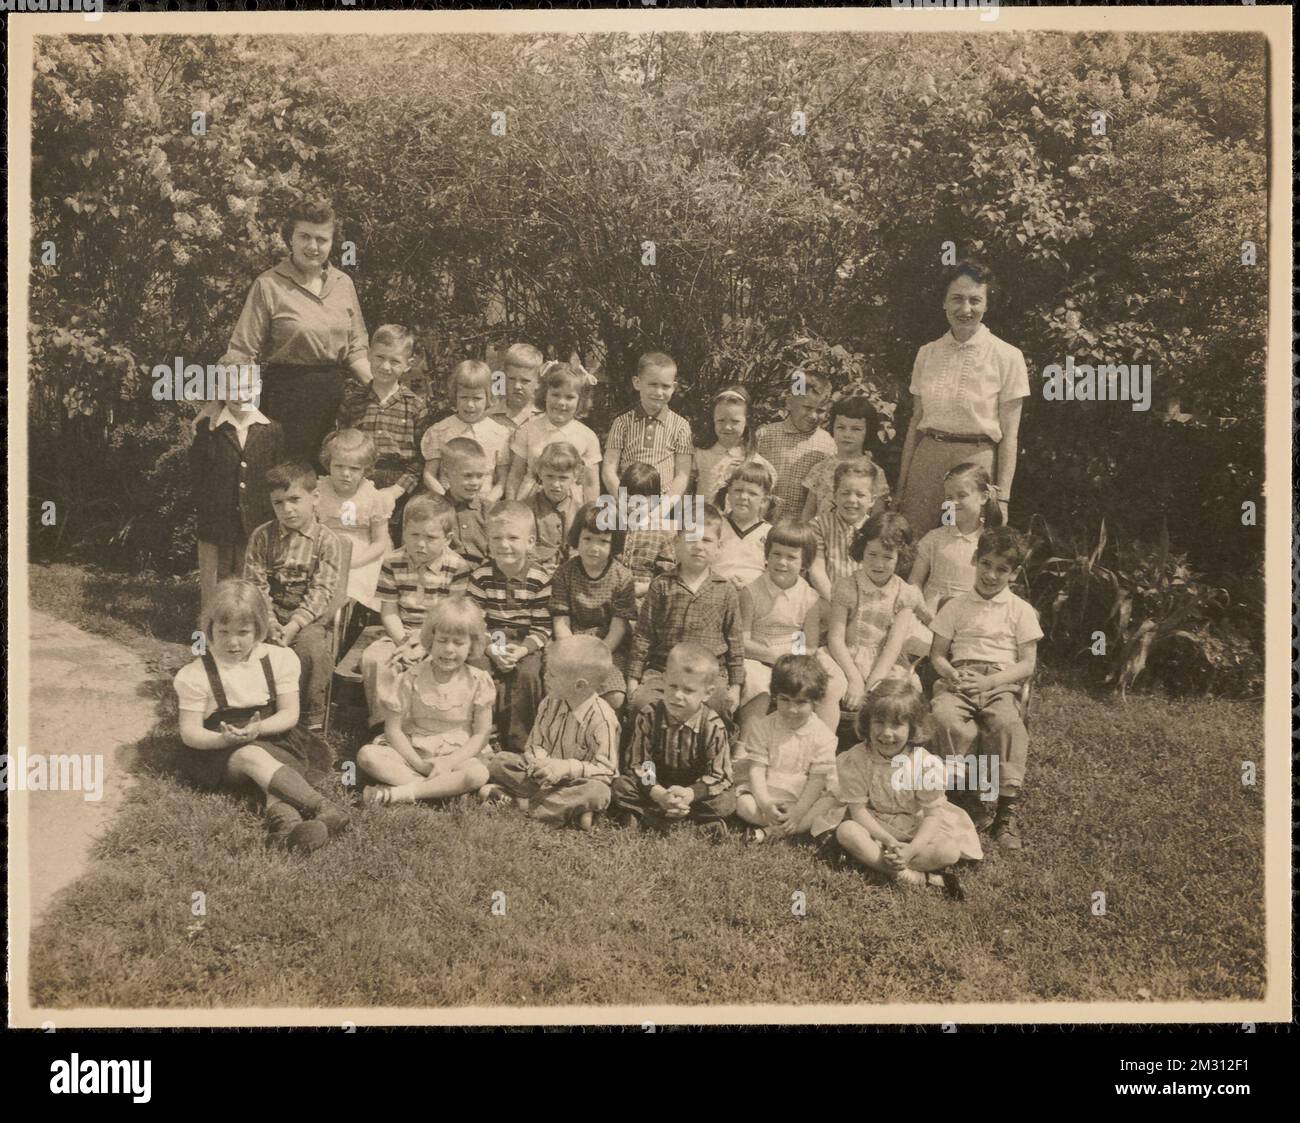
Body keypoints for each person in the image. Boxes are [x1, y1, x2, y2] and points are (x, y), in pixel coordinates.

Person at [174, 579, 348, 853]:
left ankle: (288, 831)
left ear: (259, 630)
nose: (233, 642)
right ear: (209, 630)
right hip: (220, 752)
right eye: (223, 632)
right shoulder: (197, 674)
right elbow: (190, 732)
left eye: (243, 632)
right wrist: (225, 740)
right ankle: (323, 807)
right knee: (251, 756)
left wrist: (259, 730)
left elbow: (290, 714)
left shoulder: (278, 659)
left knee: (268, 775)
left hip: (273, 737)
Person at [213, 198, 371, 464]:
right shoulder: (269, 284)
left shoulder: (344, 283)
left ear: (332, 243)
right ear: (290, 239)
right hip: (285, 401)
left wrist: (383, 391)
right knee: (289, 483)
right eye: (304, 237)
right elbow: (241, 352)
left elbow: (356, 349)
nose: (313, 246)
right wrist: (218, 404)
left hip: (335, 402)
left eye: (321, 239)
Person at [896, 259, 1029, 535]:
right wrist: (902, 485)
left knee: (966, 547)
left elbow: (1010, 435)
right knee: (912, 542)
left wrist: (1002, 496)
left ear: (987, 304)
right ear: (943, 303)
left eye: (975, 300)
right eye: (956, 299)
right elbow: (915, 423)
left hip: (976, 462)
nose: (965, 309)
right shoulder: (927, 353)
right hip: (928, 459)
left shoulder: (1008, 356)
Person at [929, 527, 1041, 850]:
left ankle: (1006, 812)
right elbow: (937, 654)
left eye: (1002, 569)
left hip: (999, 681)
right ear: (975, 559)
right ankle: (955, 796)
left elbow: (1027, 664)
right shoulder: (956, 605)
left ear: (1014, 573)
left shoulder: (1020, 610)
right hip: (960, 676)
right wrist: (951, 673)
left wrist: (992, 681)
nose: (991, 575)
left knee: (1007, 725)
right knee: (945, 718)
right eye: (986, 564)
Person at [828, 680, 980, 896]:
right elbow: (858, 811)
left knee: (950, 851)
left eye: (897, 725)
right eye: (879, 722)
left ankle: (883, 864)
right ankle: (915, 877)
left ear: (913, 728)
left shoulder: (925, 764)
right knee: (847, 831)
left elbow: (932, 817)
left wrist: (910, 851)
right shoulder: (856, 759)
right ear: (867, 722)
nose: (886, 733)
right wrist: (888, 841)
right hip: (876, 825)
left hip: (916, 826)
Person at [358, 596, 494, 805]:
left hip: (458, 756)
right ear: (430, 640)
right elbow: (393, 730)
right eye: (442, 640)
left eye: (459, 643)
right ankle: (442, 791)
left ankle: (398, 794)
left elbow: (481, 734)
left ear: (472, 645)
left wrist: (448, 762)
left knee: (478, 774)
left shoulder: (479, 680)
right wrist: (420, 765)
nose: (449, 649)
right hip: (414, 753)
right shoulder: (411, 677)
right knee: (367, 756)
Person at [243, 462, 345, 731]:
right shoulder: (262, 536)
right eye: (278, 503)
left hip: (308, 616)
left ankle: (308, 719)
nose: (287, 509)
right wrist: (271, 623)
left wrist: (294, 625)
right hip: (269, 610)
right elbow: (255, 584)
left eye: (295, 500)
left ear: (315, 498)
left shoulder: (327, 541)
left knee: (311, 650)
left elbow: (322, 590)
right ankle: (258, 711)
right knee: (251, 644)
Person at [480, 635, 621, 831]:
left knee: (599, 792)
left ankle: (521, 805)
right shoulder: (549, 702)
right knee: (500, 761)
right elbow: (536, 743)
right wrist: (539, 761)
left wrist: (566, 768)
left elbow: (608, 770)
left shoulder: (602, 719)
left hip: (576, 783)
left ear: (580, 685)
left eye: (552, 675)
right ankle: (569, 812)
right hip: (541, 777)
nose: (544, 677)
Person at [361, 494, 472, 727]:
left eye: (430, 537)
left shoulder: (457, 567)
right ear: (404, 532)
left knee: (439, 661)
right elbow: (389, 611)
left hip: (440, 634)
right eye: (414, 535)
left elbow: (451, 617)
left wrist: (423, 644)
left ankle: (427, 723)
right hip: (400, 631)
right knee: (375, 659)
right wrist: (403, 642)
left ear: (448, 539)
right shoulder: (393, 562)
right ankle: (384, 725)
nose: (420, 544)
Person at [625, 504, 744, 717]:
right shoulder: (661, 585)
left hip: (709, 677)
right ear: (676, 543)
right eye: (691, 538)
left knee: (719, 706)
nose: (698, 546)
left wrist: (735, 686)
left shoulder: (726, 590)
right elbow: (643, 635)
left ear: (719, 547)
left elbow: (735, 642)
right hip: (664, 672)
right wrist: (633, 680)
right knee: (641, 704)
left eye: (706, 540)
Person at [610, 643, 736, 837]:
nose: (677, 696)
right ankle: (683, 820)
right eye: (673, 686)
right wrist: (659, 793)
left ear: (708, 693)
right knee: (621, 786)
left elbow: (719, 775)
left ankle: (654, 816)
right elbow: (641, 763)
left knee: (726, 801)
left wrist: (690, 794)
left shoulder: (713, 725)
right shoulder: (649, 715)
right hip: (656, 783)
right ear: (664, 680)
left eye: (688, 690)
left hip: (694, 789)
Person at [191, 369, 284, 623]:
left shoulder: (272, 430)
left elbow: (275, 477)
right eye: (231, 389)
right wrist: (206, 510)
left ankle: (245, 629)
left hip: (255, 521)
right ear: (221, 392)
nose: (240, 395)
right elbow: (197, 474)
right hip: (216, 521)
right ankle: (209, 631)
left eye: (246, 388)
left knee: (248, 578)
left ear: (258, 387)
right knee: (215, 580)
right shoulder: (208, 428)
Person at [820, 512, 926, 715]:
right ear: (862, 550)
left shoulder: (904, 593)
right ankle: (824, 743)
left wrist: (873, 684)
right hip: (844, 659)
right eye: (872, 554)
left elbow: (893, 645)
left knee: (904, 696)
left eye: (888, 557)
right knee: (830, 689)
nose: (879, 564)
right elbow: (835, 638)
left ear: (900, 557)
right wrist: (854, 679)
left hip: (883, 663)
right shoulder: (847, 586)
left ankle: (894, 744)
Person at [467, 501, 552, 752]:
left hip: (525, 641)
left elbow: (543, 627)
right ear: (488, 542)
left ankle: (520, 741)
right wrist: (492, 648)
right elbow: (474, 621)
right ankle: (482, 737)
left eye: (513, 537)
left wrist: (523, 650)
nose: (504, 545)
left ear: (530, 542)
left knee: (528, 674)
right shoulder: (481, 576)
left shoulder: (539, 578)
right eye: (496, 538)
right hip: (490, 637)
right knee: (478, 669)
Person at [334, 323, 426, 538]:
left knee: (391, 544)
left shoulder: (414, 406)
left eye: (394, 361)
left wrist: (396, 490)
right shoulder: (353, 401)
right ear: (368, 355)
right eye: (379, 357)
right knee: (354, 537)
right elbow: (338, 445)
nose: (385, 366)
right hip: (357, 483)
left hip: (398, 489)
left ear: (408, 364)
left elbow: (422, 458)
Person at [734, 654, 838, 844]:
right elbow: (756, 769)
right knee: (743, 805)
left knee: (829, 802)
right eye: (785, 700)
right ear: (775, 696)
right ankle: (783, 828)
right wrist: (765, 803)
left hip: (804, 798)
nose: (792, 709)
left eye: (801, 702)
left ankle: (770, 832)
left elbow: (817, 780)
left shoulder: (824, 736)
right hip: (768, 793)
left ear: (815, 701)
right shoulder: (764, 726)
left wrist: (798, 812)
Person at [736, 520, 823, 737]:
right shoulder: (750, 592)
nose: (782, 562)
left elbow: (810, 645)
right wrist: (773, 655)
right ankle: (745, 744)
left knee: (809, 682)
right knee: (759, 682)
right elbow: (741, 642)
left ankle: (805, 743)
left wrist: (794, 659)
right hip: (756, 656)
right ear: (767, 555)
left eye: (791, 557)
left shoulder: (810, 598)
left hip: (793, 660)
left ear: (804, 563)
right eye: (776, 554)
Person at [550, 502, 638, 711]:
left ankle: (603, 735)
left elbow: (618, 628)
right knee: (560, 692)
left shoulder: (622, 577)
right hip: (571, 644)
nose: (594, 548)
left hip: (608, 647)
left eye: (603, 541)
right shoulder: (564, 573)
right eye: (587, 539)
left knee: (614, 696)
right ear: (576, 539)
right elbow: (561, 622)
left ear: (613, 544)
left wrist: (595, 657)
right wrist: (574, 654)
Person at [601, 351, 693, 503]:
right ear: (637, 383)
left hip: (663, 505)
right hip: (627, 502)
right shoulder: (622, 423)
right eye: (652, 384)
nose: (659, 392)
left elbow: (682, 475)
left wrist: (664, 507)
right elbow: (609, 468)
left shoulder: (681, 426)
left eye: (665, 386)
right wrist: (623, 502)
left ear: (674, 387)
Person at [316, 429, 393, 610]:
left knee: (354, 584)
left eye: (354, 468)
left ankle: (344, 625)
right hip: (324, 552)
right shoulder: (318, 492)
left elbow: (380, 542)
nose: (346, 473)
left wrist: (354, 562)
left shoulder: (374, 497)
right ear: (329, 464)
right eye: (339, 466)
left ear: (366, 469)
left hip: (362, 556)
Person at [505, 361, 601, 504]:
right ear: (545, 395)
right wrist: (511, 508)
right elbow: (516, 475)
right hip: (530, 502)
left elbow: (591, 484)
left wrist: (589, 516)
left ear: (580, 401)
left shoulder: (587, 436)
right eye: (555, 395)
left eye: (569, 397)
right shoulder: (528, 429)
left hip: (571, 507)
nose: (561, 402)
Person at [421, 360, 512, 502]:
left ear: (488, 398)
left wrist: (487, 503)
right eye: (464, 397)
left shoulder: (499, 433)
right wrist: (446, 499)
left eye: (477, 398)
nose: (470, 405)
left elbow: (502, 479)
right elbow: (429, 475)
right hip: (448, 505)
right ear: (455, 396)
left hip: (484, 506)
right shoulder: (440, 430)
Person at [755, 370, 836, 519]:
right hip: (762, 524)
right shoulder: (765, 435)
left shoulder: (828, 444)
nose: (813, 416)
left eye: (820, 410)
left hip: (801, 529)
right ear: (789, 403)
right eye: (807, 407)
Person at [799, 395, 890, 521]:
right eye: (841, 428)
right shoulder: (820, 468)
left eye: (856, 429)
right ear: (833, 428)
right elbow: (808, 512)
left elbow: (877, 518)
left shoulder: (875, 472)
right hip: (820, 536)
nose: (847, 434)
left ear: (868, 432)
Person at [807, 458, 881, 600]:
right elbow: (817, 571)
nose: (852, 500)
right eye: (845, 493)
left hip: (864, 602)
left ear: (872, 500)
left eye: (860, 495)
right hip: (826, 599)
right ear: (835, 495)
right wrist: (836, 604)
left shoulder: (876, 530)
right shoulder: (819, 525)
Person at [691, 384, 774, 505]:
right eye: (721, 420)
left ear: (747, 420)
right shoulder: (700, 454)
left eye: (735, 421)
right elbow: (687, 491)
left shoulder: (754, 462)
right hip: (701, 520)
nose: (727, 427)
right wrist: (690, 521)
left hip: (736, 522)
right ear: (713, 419)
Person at [615, 461, 678, 604]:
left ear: (655, 501)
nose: (631, 506)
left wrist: (645, 588)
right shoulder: (613, 528)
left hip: (645, 599)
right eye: (627, 499)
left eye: (639, 502)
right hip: (613, 595)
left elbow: (668, 576)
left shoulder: (661, 535)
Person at [713, 460, 775, 590]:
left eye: (752, 493)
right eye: (738, 490)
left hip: (754, 595)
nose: (743, 497)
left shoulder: (770, 533)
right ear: (728, 494)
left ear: (764, 500)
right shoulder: (714, 525)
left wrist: (751, 587)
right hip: (714, 590)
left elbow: (773, 573)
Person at [524, 441, 582, 577]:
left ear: (575, 476)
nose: (556, 484)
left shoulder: (579, 508)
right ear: (539, 473)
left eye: (563, 478)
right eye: (550, 476)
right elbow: (524, 546)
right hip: (535, 572)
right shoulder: (528, 507)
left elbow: (580, 547)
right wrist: (539, 568)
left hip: (570, 573)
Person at [439, 437, 491, 568]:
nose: (475, 482)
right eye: (467, 476)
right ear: (447, 474)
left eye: (480, 476)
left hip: (483, 578)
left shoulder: (489, 510)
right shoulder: (436, 509)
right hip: (447, 576)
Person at [487, 342, 545, 431]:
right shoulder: (489, 417)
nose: (517, 386)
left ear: (538, 382)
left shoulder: (544, 418)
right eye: (511, 379)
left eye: (525, 381)